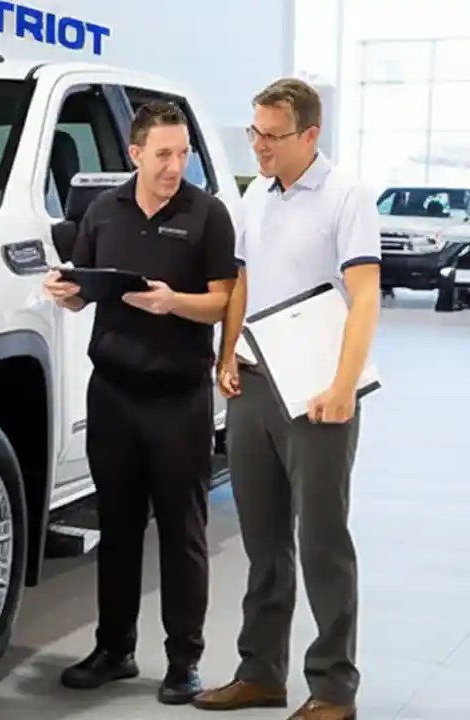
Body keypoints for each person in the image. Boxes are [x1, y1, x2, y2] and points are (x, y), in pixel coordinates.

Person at [192, 78, 381, 720]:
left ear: (309, 135)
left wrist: (344, 385)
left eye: (272, 136)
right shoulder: (255, 196)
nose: (260, 146)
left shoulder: (346, 196)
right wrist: (227, 354)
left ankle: (332, 689)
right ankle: (260, 673)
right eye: (254, 132)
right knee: (263, 539)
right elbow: (243, 281)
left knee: (323, 539)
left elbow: (365, 297)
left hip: (319, 391)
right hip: (254, 381)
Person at [43, 100, 237, 705]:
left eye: (182, 154)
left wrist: (173, 302)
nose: (175, 166)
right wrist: (65, 294)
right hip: (115, 395)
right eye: (163, 155)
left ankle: (185, 661)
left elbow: (223, 301)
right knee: (119, 527)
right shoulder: (104, 211)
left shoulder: (208, 215)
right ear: (134, 154)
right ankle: (114, 649)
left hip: (179, 397)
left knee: (182, 533)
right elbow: (87, 293)